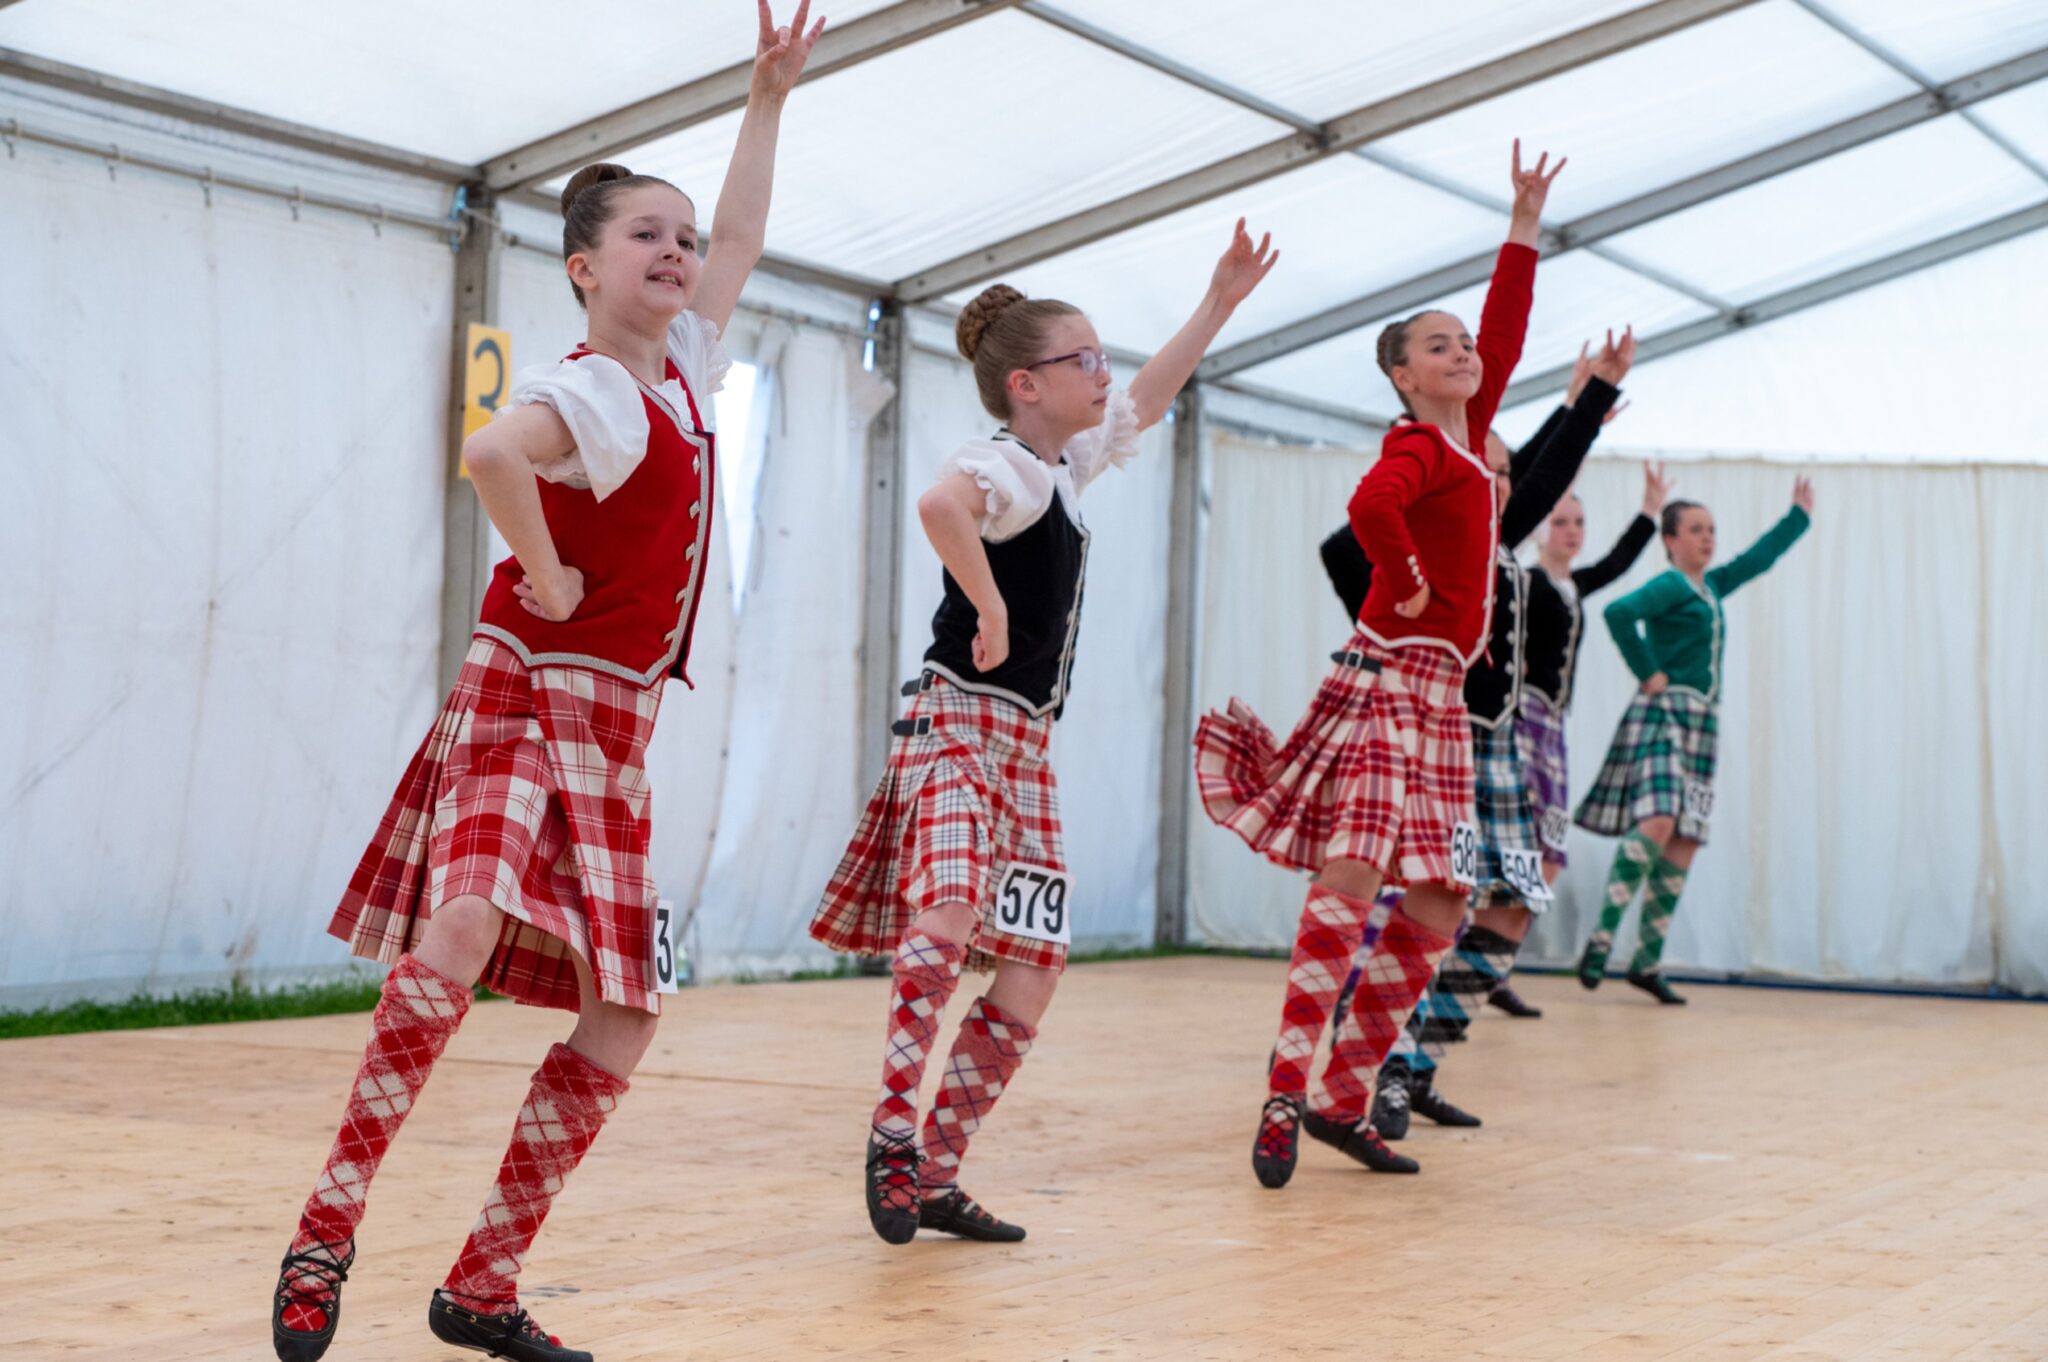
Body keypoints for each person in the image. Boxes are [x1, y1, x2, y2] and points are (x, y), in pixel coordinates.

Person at [269, 9, 824, 1359]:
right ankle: (326, 1229)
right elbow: (490, 453)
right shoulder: (595, 393)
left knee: (626, 1008)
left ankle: (483, 1282)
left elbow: (744, 238)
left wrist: (766, 102)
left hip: (615, 730)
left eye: (682, 237)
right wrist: (550, 575)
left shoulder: (681, 368)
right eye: (647, 236)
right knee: (460, 927)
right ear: (585, 268)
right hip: (526, 694)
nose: (679, 252)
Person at [812, 223, 1279, 1243]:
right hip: (958, 722)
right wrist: (984, 604)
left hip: (1024, 742)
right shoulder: (1006, 466)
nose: (1104, 374)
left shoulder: (1059, 471)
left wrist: (1217, 304)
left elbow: (1146, 398)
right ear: (1026, 385)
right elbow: (939, 506)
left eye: (1102, 357)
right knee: (945, 917)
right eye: (1086, 360)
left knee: (1034, 965)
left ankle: (936, 1171)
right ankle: (893, 1135)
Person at [1194, 142, 1564, 1188]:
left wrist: (1521, 228)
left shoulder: (1469, 437)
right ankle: (1284, 1089)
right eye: (1438, 347)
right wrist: (1401, 580)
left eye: (1463, 345)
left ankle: (1342, 1097)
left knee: (1441, 897)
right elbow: (1369, 508)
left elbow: (1504, 329)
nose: (1463, 353)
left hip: (1439, 700)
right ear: (1402, 376)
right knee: (1355, 873)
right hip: (1389, 679)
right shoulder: (1418, 446)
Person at [1574, 479, 1816, 1004]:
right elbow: (1618, 613)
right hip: (1666, 715)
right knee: (1659, 820)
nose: (1708, 538)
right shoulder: (1670, 585)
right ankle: (1602, 937)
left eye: (1711, 530)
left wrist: (1797, 518)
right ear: (1671, 540)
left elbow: (1756, 561)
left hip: (1704, 726)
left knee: (1686, 838)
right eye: (1696, 530)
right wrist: (1648, 671)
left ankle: (1646, 962)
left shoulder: (1711, 587)